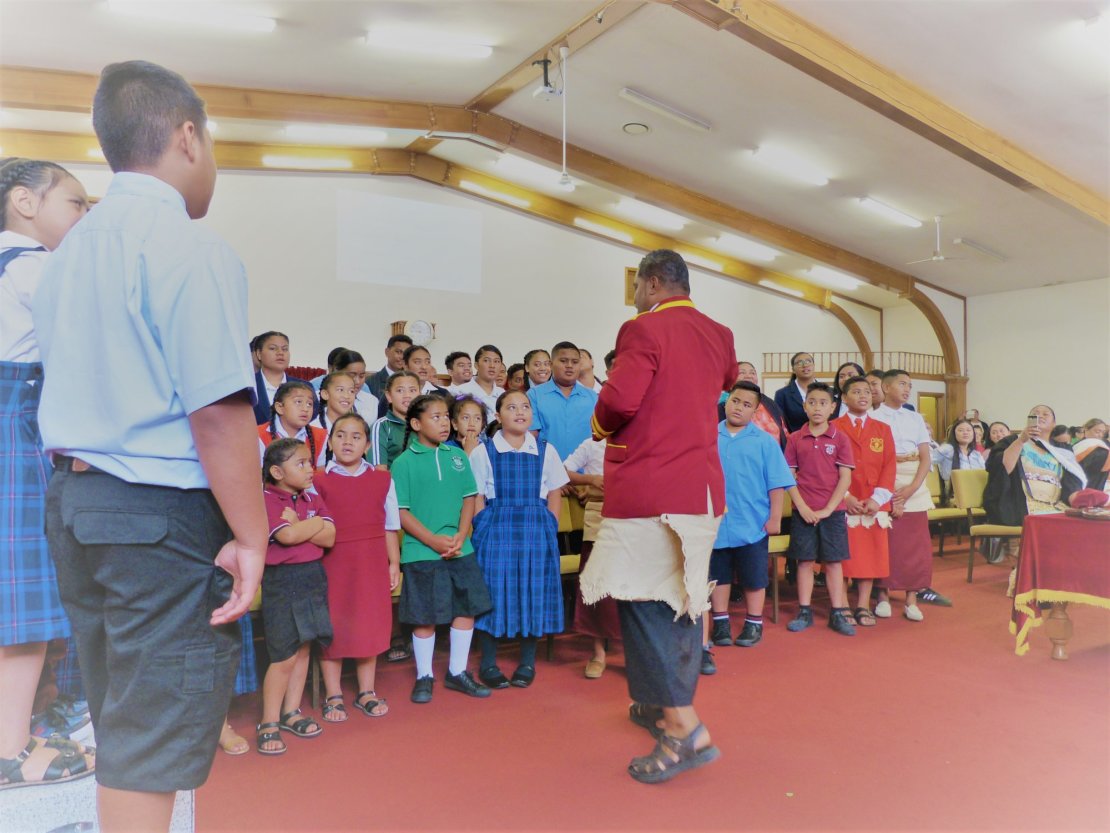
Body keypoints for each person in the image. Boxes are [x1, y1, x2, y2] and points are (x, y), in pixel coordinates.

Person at [35, 60, 267, 831]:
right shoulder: (191, 247)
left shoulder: (69, 252)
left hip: (77, 501)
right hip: (156, 512)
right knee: (154, 728)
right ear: (187, 137)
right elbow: (219, 413)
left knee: (123, 714)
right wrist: (253, 536)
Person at [579, 249, 736, 785]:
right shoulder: (719, 332)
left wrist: (599, 427)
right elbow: (724, 380)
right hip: (701, 488)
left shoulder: (642, 328)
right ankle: (657, 702)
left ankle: (683, 727)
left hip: (652, 485)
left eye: (637, 288)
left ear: (651, 284)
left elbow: (619, 402)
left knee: (644, 600)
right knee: (679, 598)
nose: (635, 298)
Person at [0, 158, 96, 792]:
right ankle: (9, 753)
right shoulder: (36, 267)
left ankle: (15, 731)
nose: (84, 215)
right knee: (22, 607)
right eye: (76, 202)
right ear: (25, 202)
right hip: (16, 437)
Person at [391, 395, 493, 703]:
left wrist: (461, 535)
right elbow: (401, 512)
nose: (444, 422)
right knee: (425, 615)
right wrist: (432, 541)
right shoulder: (403, 462)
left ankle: (457, 672)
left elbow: (468, 498)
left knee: (466, 609)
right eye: (435, 417)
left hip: (460, 548)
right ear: (416, 423)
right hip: (421, 550)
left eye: (446, 416)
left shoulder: (457, 456)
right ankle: (424, 675)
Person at [468, 391, 569, 688]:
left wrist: (550, 523)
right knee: (492, 592)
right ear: (498, 415)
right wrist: (482, 524)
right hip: (496, 527)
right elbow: (476, 495)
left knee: (532, 590)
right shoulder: (483, 451)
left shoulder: (545, 450)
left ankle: (527, 662)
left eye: (525, 406)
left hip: (536, 528)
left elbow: (555, 491)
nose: (520, 412)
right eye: (511, 407)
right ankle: (488, 662)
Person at [314, 414, 401, 722]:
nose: (347, 442)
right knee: (333, 622)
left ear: (367, 445)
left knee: (369, 620)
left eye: (356, 436)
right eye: (340, 435)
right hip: (332, 559)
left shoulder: (382, 479)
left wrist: (394, 563)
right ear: (330, 442)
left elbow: (390, 525)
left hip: (371, 558)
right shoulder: (318, 479)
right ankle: (333, 694)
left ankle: (366, 691)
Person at [257, 439, 335, 756]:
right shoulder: (265, 498)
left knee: (304, 647)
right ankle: (268, 721)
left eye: (309, 462)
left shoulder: (310, 497)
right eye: (300, 464)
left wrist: (302, 523)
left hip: (312, 576)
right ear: (277, 472)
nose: (309, 469)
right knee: (284, 655)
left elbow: (330, 537)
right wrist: (313, 524)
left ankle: (291, 712)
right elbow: (286, 536)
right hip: (282, 580)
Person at [707, 382, 795, 650]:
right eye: (735, 401)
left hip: (753, 521)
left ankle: (754, 622)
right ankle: (720, 622)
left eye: (747, 405)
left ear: (755, 411)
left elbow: (776, 483)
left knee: (754, 576)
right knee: (717, 575)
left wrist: (775, 518)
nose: (739, 408)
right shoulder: (708, 436)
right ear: (726, 402)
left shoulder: (765, 441)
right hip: (716, 522)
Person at [783, 382, 856, 636]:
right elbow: (789, 477)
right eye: (812, 402)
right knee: (804, 561)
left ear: (832, 407)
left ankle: (837, 612)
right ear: (804, 406)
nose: (817, 407)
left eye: (823, 403)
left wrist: (828, 509)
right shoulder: (794, 438)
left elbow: (845, 478)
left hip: (833, 512)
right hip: (803, 511)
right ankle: (804, 611)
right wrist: (802, 507)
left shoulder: (840, 438)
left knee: (833, 562)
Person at [871, 370, 934, 621]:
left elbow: (926, 457)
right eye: (902, 384)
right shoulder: (873, 417)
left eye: (909, 385)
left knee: (915, 544)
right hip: (884, 478)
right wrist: (889, 492)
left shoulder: (915, 417)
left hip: (913, 479)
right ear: (886, 387)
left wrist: (911, 489)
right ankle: (882, 595)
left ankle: (911, 599)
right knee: (887, 540)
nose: (907, 389)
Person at [832, 376, 895, 626]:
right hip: (843, 501)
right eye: (856, 391)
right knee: (842, 555)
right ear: (844, 397)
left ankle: (862, 605)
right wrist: (846, 497)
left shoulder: (882, 429)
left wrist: (878, 498)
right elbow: (827, 467)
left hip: (872, 503)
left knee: (870, 555)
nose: (863, 396)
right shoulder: (833, 427)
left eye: (867, 392)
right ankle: (842, 605)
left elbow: (889, 466)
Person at [563, 434, 618, 678]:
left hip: (630, 515)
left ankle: (634, 653)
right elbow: (563, 470)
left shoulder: (638, 440)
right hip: (597, 514)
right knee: (595, 585)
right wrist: (590, 480)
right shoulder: (591, 444)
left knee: (632, 586)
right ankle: (598, 653)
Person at [984, 404, 1087, 525]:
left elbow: (1072, 482)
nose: (1040, 416)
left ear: (1053, 424)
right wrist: (1021, 440)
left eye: (1045, 414)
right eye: (1035, 414)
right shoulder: (1011, 441)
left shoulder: (1063, 450)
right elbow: (1002, 469)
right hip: (1018, 506)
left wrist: (1078, 498)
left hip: (1056, 505)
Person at [527, 341, 599, 461]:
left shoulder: (592, 397)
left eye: (575, 362)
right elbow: (530, 436)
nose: (569, 366)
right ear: (551, 364)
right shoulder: (534, 395)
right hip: (547, 467)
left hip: (586, 468)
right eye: (563, 361)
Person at [258, 380, 327, 469]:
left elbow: (321, 473)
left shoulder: (321, 436)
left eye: (309, 404)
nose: (305, 409)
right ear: (279, 407)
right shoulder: (258, 434)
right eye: (298, 402)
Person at [720, 361, 787, 449]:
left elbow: (784, 430)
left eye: (752, 373)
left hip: (772, 452)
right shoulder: (722, 404)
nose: (748, 376)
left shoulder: (768, 402)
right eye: (742, 372)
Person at [369, 371, 420, 470]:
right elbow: (379, 470)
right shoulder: (381, 426)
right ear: (389, 396)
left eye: (412, 390)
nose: (407, 395)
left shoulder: (426, 424)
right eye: (400, 390)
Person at [455, 344, 505, 422]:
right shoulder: (460, 392)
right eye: (486, 360)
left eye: (496, 361)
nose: (492, 365)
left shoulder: (503, 394)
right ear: (476, 365)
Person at [935, 418, 985, 495]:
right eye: (961, 430)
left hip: (976, 491)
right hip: (955, 493)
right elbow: (927, 459)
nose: (965, 433)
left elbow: (983, 473)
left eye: (969, 430)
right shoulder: (947, 449)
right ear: (954, 434)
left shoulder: (976, 454)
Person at [251, 330, 290, 425]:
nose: (280, 353)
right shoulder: (247, 386)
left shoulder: (305, 386)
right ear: (259, 354)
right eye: (273, 348)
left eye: (285, 349)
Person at [774, 352, 817, 433]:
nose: (805, 365)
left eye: (808, 361)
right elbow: (780, 423)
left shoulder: (827, 391)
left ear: (813, 366)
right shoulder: (782, 394)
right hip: (795, 438)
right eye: (799, 363)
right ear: (793, 369)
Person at [330, 349, 378, 419]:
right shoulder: (319, 398)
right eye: (352, 375)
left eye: (361, 376)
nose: (357, 381)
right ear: (337, 371)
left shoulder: (372, 401)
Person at [367, 334, 412, 400]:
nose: (402, 357)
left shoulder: (413, 381)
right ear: (387, 352)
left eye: (406, 354)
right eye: (398, 352)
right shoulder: (370, 382)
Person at [313, 372, 357, 438]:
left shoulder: (358, 426)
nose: (347, 396)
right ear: (325, 394)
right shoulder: (313, 426)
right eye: (340, 390)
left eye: (351, 391)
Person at [1073, 419, 1109, 492]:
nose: (1100, 435)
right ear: (1086, 429)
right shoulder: (1079, 445)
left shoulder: (1103, 447)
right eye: (1097, 431)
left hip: (1097, 485)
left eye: (1103, 432)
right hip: (1078, 483)